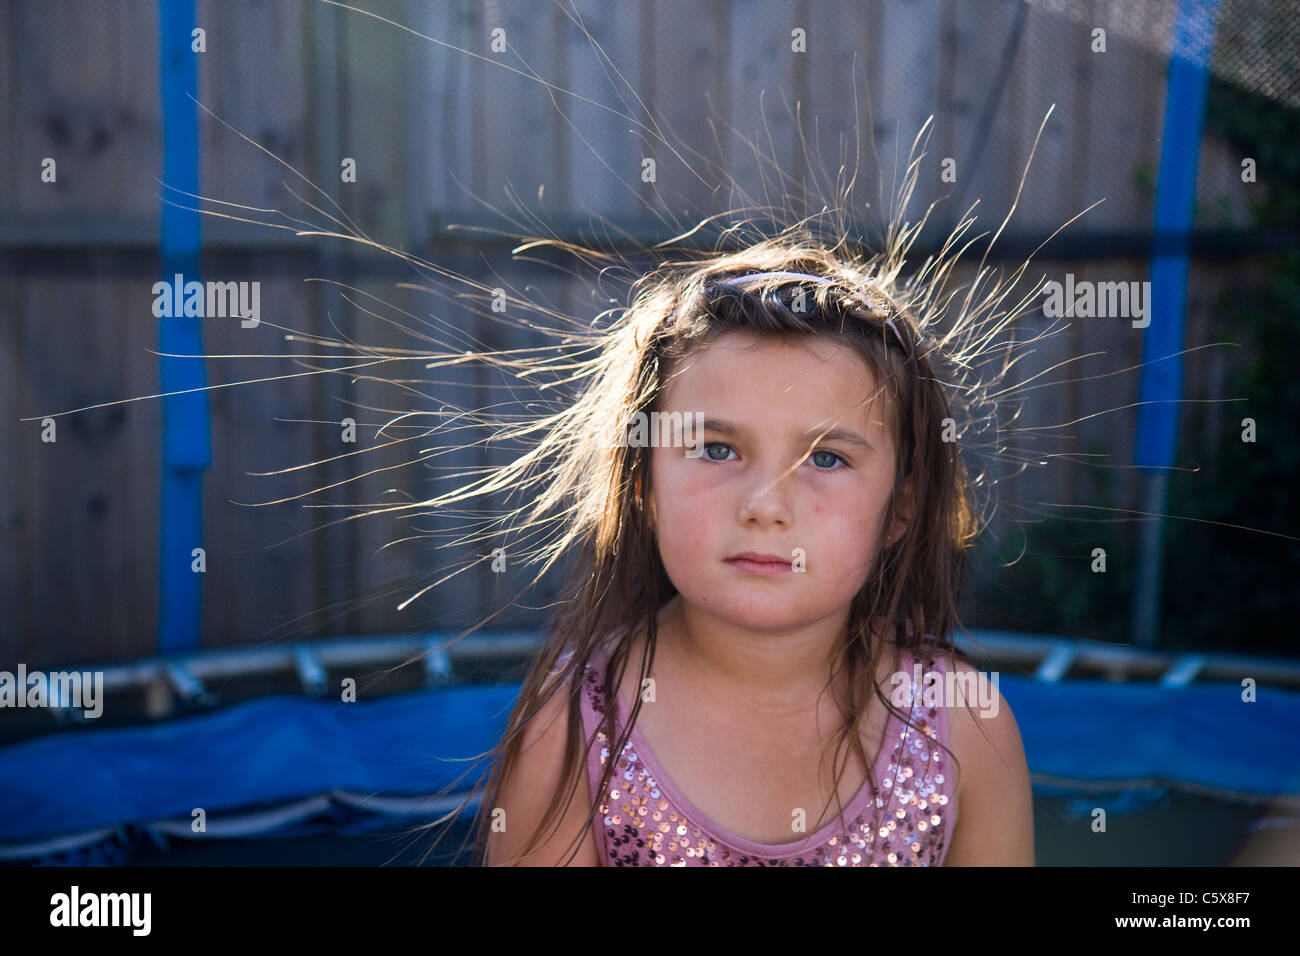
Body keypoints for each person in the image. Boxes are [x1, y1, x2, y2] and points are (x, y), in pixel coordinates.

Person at [477, 239, 1034, 866]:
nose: (765, 506)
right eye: (717, 449)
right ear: (643, 484)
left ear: (899, 510)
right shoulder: (570, 735)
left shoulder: (963, 728)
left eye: (827, 458)